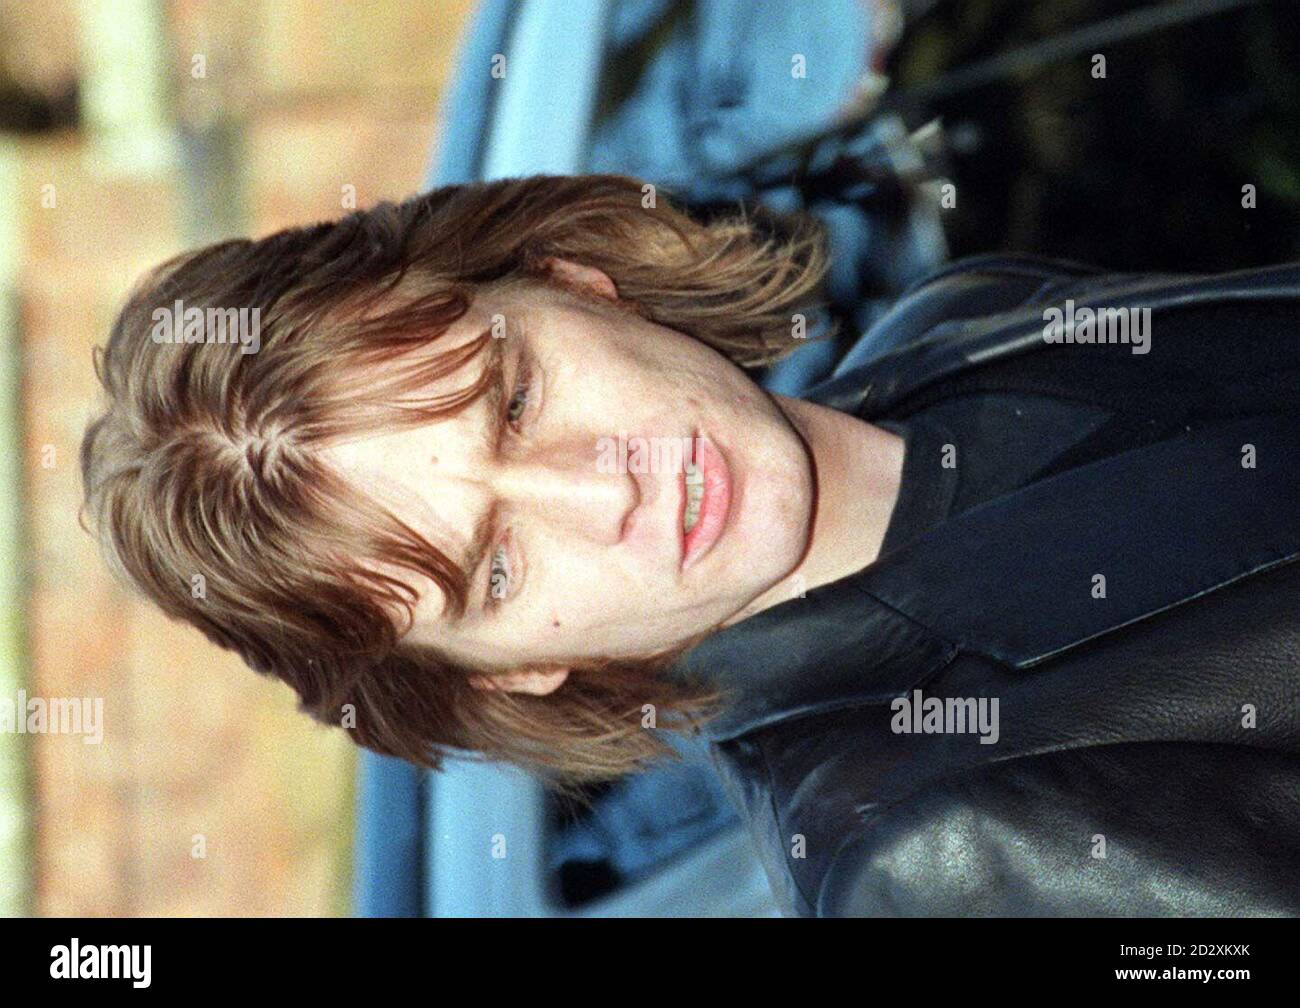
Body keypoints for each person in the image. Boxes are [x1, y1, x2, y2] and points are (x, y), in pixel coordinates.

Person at [81, 174, 1300, 916]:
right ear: (509, 671)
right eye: (496, 566)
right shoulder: (915, 859)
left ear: (574, 282)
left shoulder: (965, 316)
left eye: (513, 402)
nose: (597, 492)